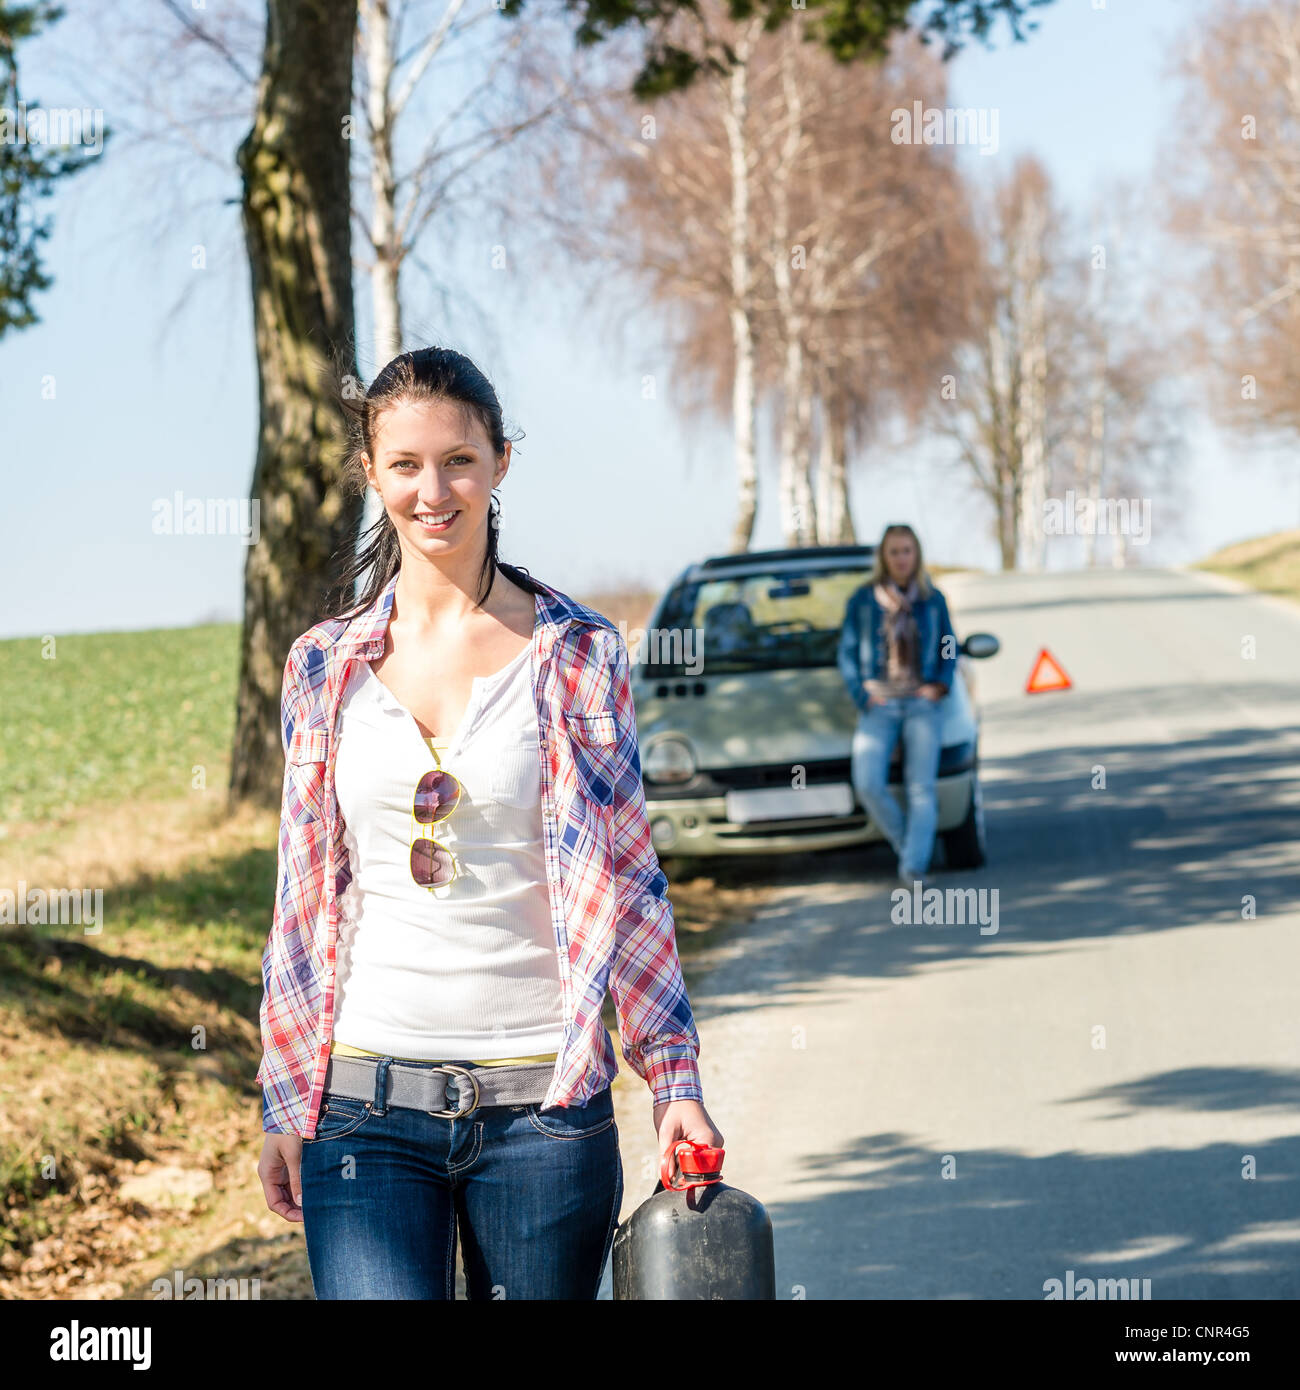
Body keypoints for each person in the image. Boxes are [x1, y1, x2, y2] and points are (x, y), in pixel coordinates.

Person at [256, 346, 721, 1299]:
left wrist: (675, 1083)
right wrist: (282, 1094)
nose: (436, 490)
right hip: (363, 1112)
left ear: (501, 462)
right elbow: (301, 901)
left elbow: (631, 881)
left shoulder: (578, 653)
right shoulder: (322, 667)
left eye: (460, 460)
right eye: (407, 464)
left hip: (543, 1118)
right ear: (371, 474)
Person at [837, 523, 957, 885]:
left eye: (907, 550)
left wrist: (939, 685)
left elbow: (949, 649)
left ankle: (912, 868)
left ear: (916, 554)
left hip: (921, 702)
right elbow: (845, 654)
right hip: (879, 703)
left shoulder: (933, 600)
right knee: (868, 783)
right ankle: (912, 848)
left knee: (920, 786)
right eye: (894, 552)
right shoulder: (862, 600)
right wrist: (863, 695)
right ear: (883, 557)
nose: (901, 558)